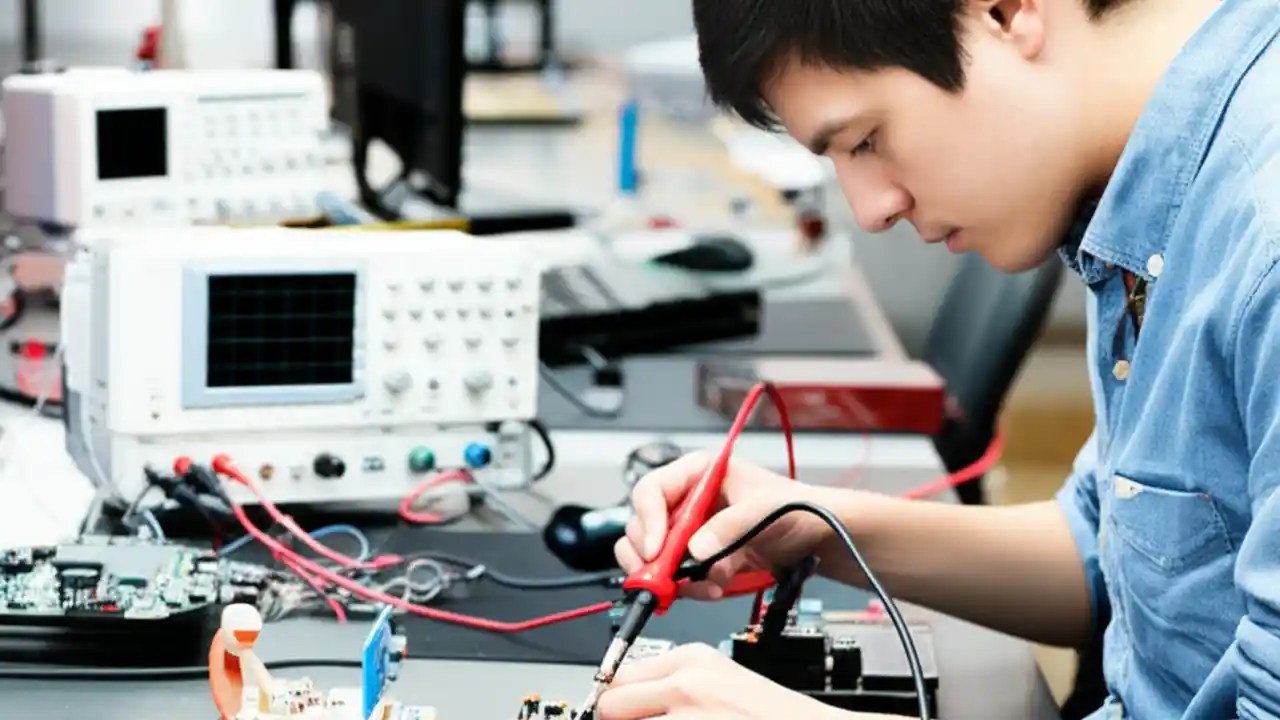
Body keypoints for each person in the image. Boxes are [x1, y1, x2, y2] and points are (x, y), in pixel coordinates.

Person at [595, 0, 1280, 718]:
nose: (869, 210)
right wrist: (818, 528)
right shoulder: (1153, 187)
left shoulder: (1262, 237)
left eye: (864, 141)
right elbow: (1120, 557)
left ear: (1006, 11)